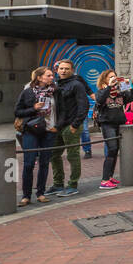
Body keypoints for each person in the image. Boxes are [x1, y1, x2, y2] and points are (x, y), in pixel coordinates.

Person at [15, 67, 60, 205]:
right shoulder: (28, 92)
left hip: (49, 130)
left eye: (52, 75)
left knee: (45, 163)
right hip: (31, 130)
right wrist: (33, 108)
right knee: (28, 163)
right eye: (49, 75)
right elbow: (17, 111)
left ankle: (41, 193)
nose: (52, 77)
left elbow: (62, 110)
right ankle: (26, 195)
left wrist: (57, 126)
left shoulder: (55, 92)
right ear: (39, 77)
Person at [48, 59, 90, 197]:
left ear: (72, 70)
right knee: (54, 155)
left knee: (73, 156)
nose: (64, 71)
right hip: (57, 126)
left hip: (71, 126)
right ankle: (58, 184)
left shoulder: (77, 85)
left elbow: (84, 106)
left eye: (66, 68)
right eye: (61, 68)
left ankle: (73, 184)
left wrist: (75, 125)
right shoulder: (54, 84)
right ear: (57, 70)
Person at [94, 70, 133, 189]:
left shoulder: (119, 93)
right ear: (105, 79)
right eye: (111, 77)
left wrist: (128, 86)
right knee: (111, 149)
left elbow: (131, 99)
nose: (114, 78)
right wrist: (109, 86)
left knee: (115, 150)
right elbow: (100, 99)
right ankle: (104, 180)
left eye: (115, 76)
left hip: (119, 122)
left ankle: (110, 176)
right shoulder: (102, 91)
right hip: (107, 123)